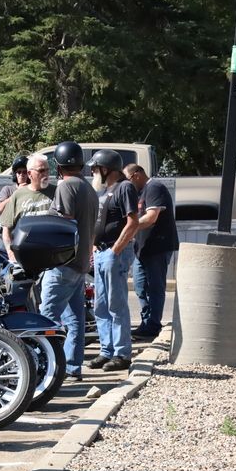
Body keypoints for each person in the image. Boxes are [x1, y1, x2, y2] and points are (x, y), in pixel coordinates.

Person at [37, 141, 98, 382]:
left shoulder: (66, 187)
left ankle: (48, 371)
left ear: (59, 166)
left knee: (46, 317)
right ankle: (72, 367)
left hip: (63, 264)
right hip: (80, 263)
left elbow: (64, 223)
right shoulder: (88, 188)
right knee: (75, 319)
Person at [88, 150, 140, 372]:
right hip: (101, 252)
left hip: (114, 252)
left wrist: (115, 249)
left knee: (115, 303)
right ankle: (106, 350)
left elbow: (133, 221)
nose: (92, 171)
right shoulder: (104, 190)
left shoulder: (125, 187)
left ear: (106, 168)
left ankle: (122, 353)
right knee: (100, 305)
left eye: (95, 167)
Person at [124, 163, 178, 341]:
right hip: (142, 248)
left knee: (155, 287)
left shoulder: (155, 187)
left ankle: (153, 325)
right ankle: (146, 322)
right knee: (140, 286)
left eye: (128, 179)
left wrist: (130, 228)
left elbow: (151, 216)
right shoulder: (139, 193)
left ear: (137, 174)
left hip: (158, 246)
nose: (127, 184)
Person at [0, 153, 56, 263]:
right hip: (24, 258)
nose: (46, 174)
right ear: (30, 174)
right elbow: (6, 229)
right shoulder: (17, 195)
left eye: (47, 170)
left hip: (51, 258)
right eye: (41, 171)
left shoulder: (57, 192)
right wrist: (11, 253)